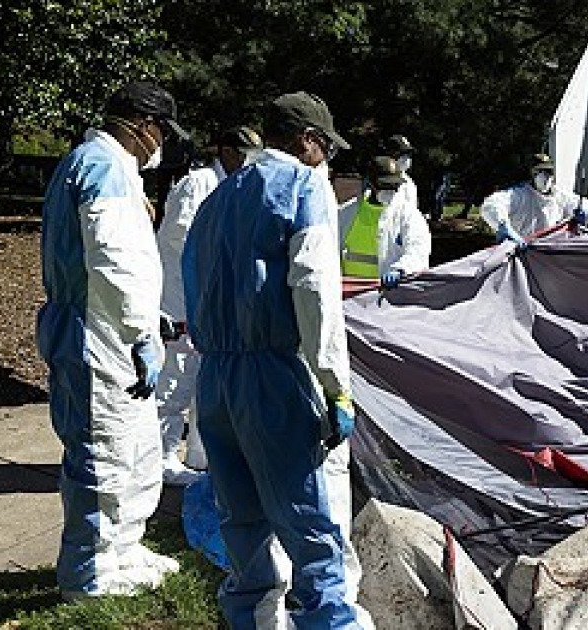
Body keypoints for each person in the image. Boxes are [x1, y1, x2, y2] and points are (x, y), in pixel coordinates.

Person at [182, 91, 366, 628]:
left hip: (216, 375)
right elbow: (314, 290)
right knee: (308, 518)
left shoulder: (219, 197)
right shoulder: (305, 188)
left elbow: (194, 283)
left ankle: (252, 618)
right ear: (308, 140)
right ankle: (330, 621)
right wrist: (335, 384)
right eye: (326, 147)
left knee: (241, 518)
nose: (327, 158)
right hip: (272, 374)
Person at [38, 81, 188, 599]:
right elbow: (113, 262)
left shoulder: (98, 164)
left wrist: (149, 319)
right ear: (145, 127)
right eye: (162, 132)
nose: (162, 144)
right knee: (103, 451)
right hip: (99, 334)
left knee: (134, 447)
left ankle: (122, 547)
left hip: (108, 326)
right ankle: (89, 573)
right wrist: (138, 331)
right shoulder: (102, 167)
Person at [155, 126, 262, 486]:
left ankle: (199, 455)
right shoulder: (198, 183)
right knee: (175, 381)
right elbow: (179, 238)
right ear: (226, 151)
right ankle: (160, 456)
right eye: (245, 154)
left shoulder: (236, 187)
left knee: (205, 383)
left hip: (208, 303)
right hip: (181, 300)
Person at [339, 155, 432, 286]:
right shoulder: (346, 213)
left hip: (387, 293)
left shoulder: (408, 215)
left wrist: (401, 269)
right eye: (385, 185)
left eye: (395, 185)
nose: (391, 190)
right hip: (349, 292)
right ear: (370, 183)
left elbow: (418, 249)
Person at [480, 153, 588, 246]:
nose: (545, 176)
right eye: (539, 172)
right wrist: (503, 226)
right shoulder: (519, 195)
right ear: (532, 174)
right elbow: (491, 205)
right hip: (522, 250)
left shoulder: (561, 197)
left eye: (548, 172)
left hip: (550, 253)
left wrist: (586, 212)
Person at [384, 134, 419, 215]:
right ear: (389, 154)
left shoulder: (410, 184)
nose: (406, 158)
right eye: (402, 153)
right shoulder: (377, 181)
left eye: (408, 154)